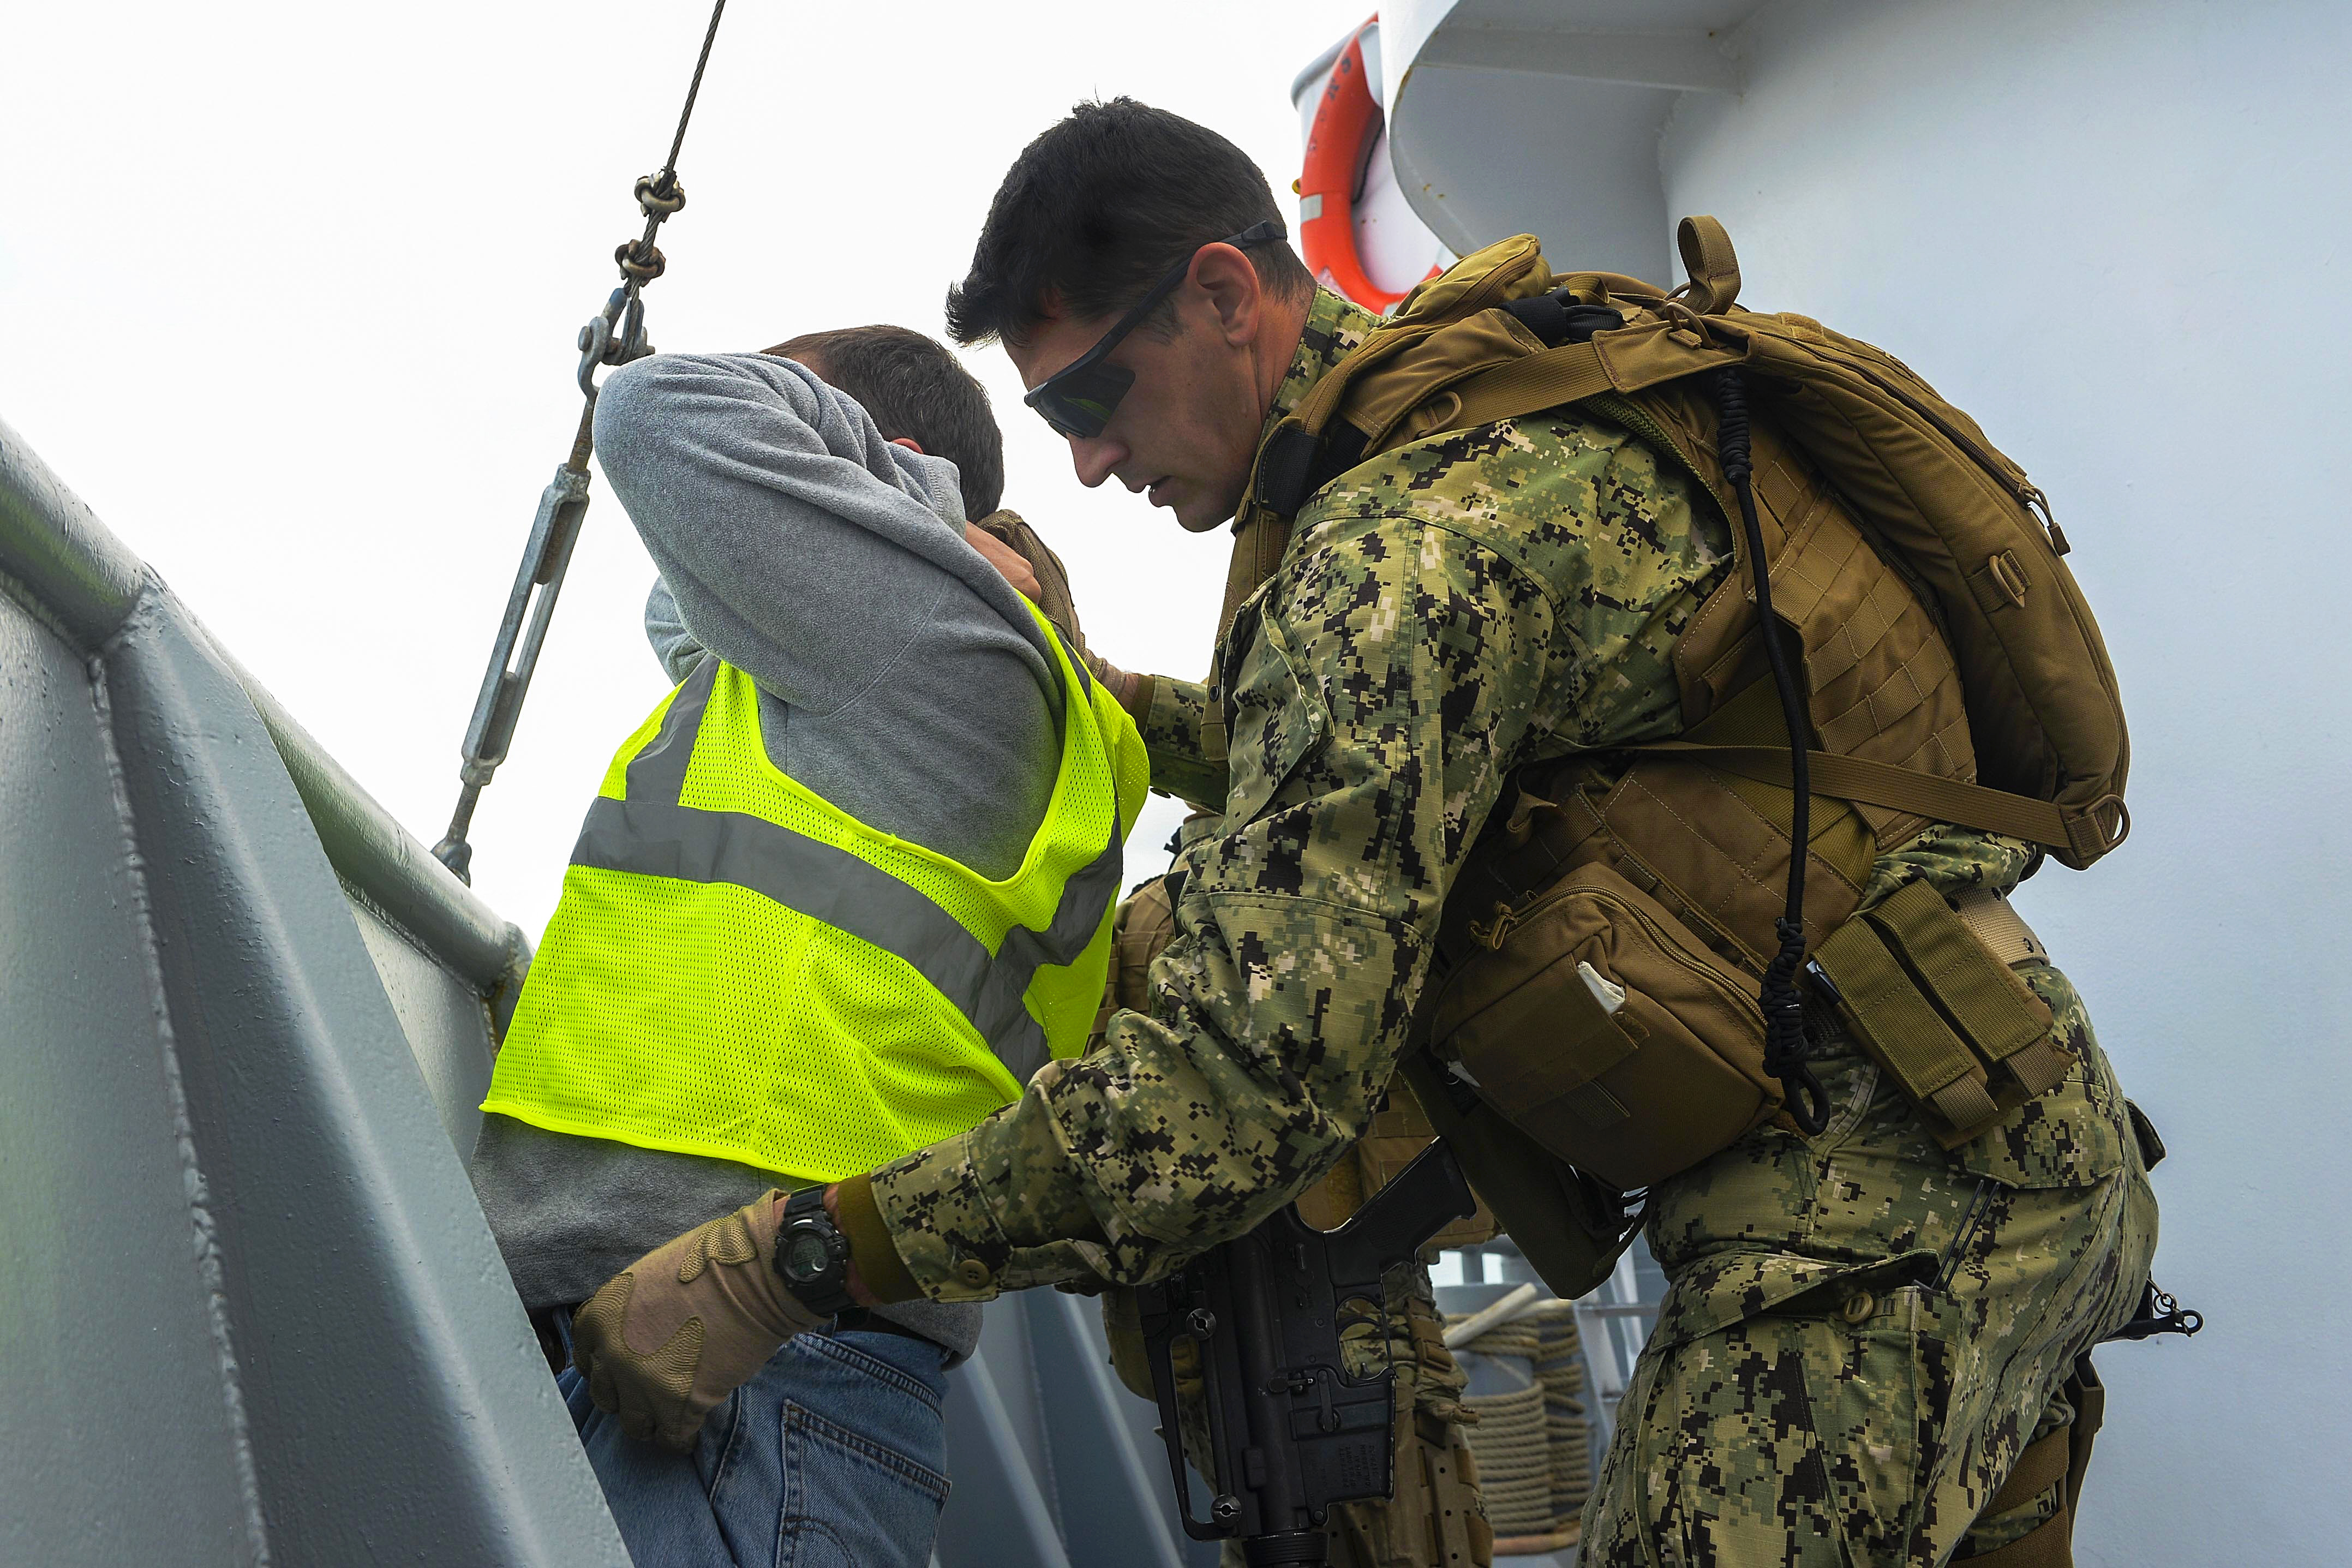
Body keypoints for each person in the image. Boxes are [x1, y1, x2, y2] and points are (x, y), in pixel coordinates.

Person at [571, 101, 2160, 1567]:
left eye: (1090, 396)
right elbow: (1379, 761)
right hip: (1979, 1152)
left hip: (1883, 1220)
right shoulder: (1472, 456)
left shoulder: (1389, 553)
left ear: (1220, 294)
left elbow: (1238, 1088)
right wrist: (1098, 687)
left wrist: (788, 1259)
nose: (1088, 462)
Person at [469, 320, 1148, 1568]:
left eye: (800, 415)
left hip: (759, 1364)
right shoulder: (820, 676)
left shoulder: (938, 657)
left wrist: (900, 484)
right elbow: (683, 590)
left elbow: (660, 413)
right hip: (693, 1343)